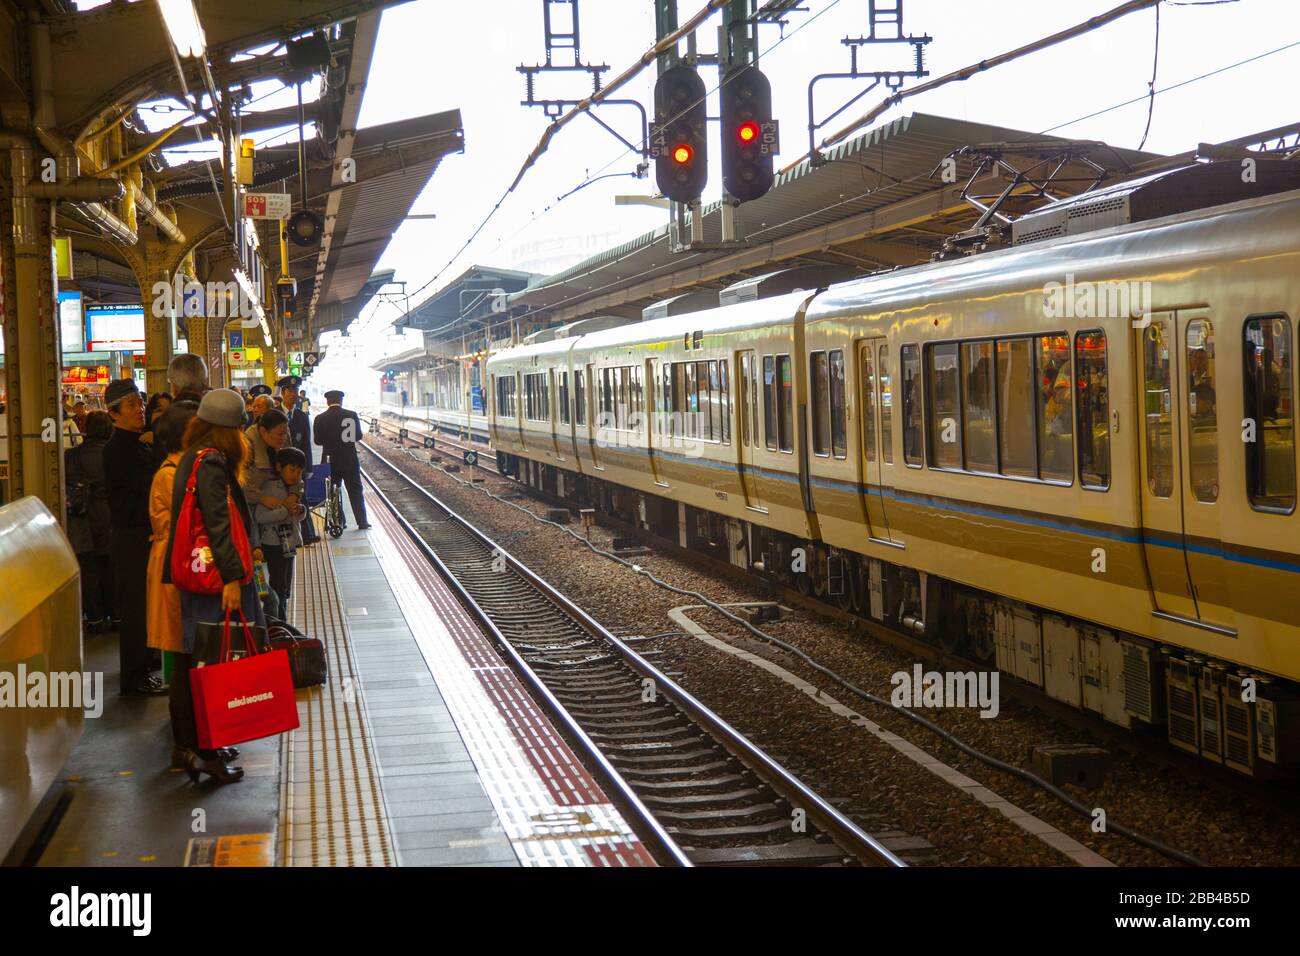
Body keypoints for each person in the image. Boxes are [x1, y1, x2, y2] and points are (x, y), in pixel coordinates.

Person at [163, 389, 264, 785]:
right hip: (212, 579)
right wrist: (231, 578)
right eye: (240, 427)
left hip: (201, 574)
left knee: (201, 658)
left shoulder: (195, 456)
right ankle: (199, 751)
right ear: (229, 429)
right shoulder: (211, 464)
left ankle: (201, 745)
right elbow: (216, 523)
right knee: (206, 663)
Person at [145, 400, 201, 771]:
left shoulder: (184, 468)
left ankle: (201, 741)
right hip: (176, 569)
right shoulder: (170, 474)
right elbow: (182, 524)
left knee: (193, 659)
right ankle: (185, 747)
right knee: (183, 661)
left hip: (184, 565)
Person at [101, 378, 165, 696]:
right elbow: (147, 487)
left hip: (143, 535)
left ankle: (145, 666)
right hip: (130, 537)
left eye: (140, 403)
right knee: (135, 608)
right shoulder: (117, 450)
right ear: (113, 414)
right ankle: (133, 678)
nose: (140, 410)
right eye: (131, 406)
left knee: (146, 604)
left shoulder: (139, 443)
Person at [65, 411, 116, 634]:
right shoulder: (113, 453)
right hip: (108, 515)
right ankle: (116, 615)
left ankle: (93, 617)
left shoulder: (72, 456)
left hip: (81, 517)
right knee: (111, 566)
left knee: (88, 569)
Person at [254, 446, 306, 613]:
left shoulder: (293, 488)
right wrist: (285, 510)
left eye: (299, 472)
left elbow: (296, 517)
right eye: (292, 470)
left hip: (288, 542)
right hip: (273, 543)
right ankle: (278, 620)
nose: (296, 475)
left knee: (286, 583)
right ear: (279, 467)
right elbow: (260, 517)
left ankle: (281, 616)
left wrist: (301, 511)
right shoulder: (269, 488)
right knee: (278, 582)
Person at [314, 389, 370, 530]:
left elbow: (318, 441)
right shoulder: (351, 415)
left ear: (328, 401)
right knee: (355, 490)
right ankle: (362, 522)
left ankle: (338, 521)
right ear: (341, 400)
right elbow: (358, 436)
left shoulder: (320, 418)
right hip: (349, 459)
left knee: (331, 492)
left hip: (329, 460)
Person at [277, 375, 318, 545]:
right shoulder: (275, 414)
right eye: (289, 391)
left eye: (295, 391)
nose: (293, 395)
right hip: (281, 466)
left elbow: (307, 443)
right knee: (284, 498)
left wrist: (308, 467)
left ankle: (308, 534)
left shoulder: (301, 416)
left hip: (299, 467)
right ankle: (291, 536)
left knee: (303, 497)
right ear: (283, 393)